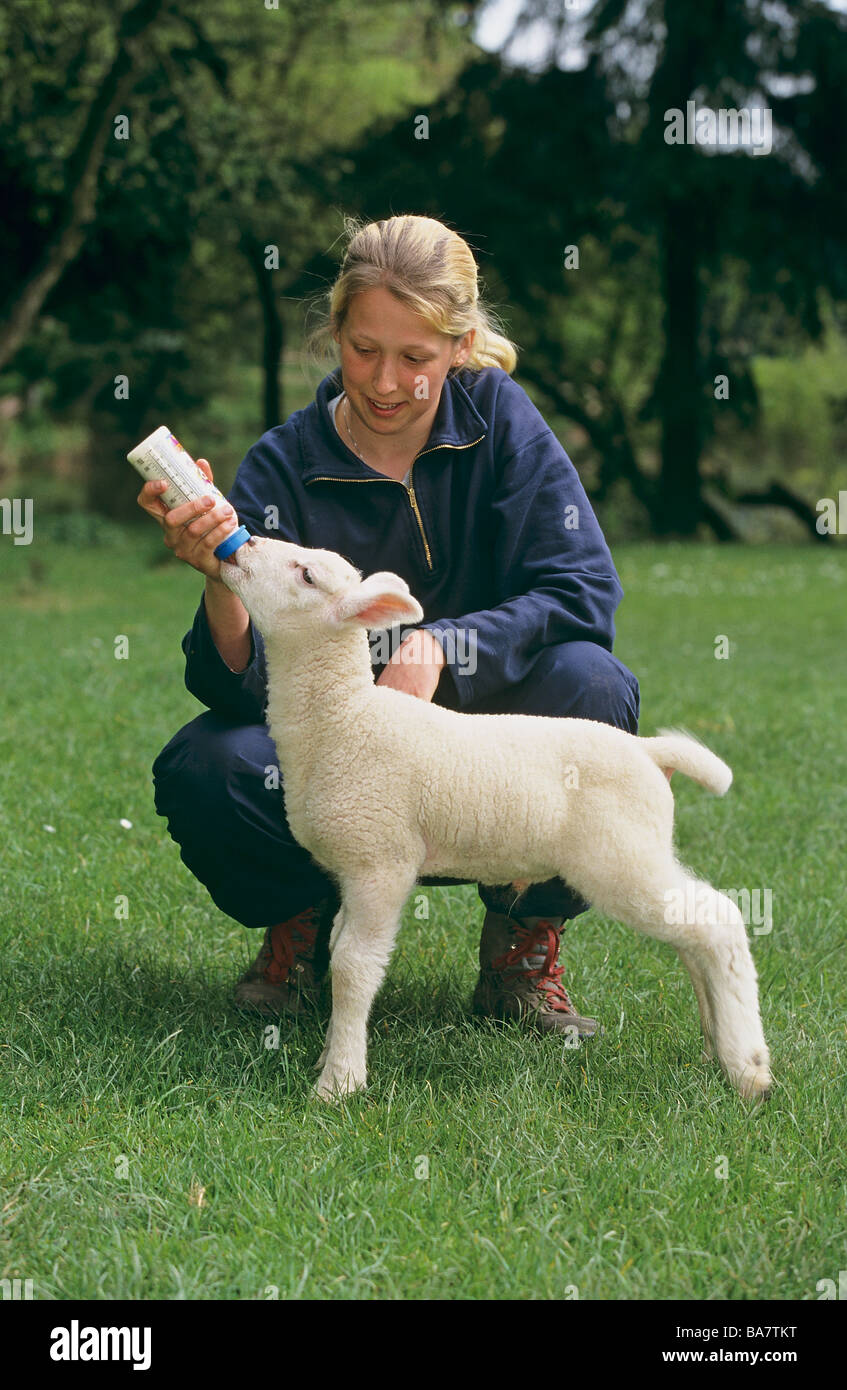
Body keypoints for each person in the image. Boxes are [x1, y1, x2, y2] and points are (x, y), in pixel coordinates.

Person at [139, 213, 640, 1037]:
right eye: (363, 349)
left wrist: (445, 645)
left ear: (461, 346)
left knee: (594, 687)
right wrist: (219, 580)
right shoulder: (283, 461)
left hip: (485, 749)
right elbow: (232, 687)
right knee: (211, 763)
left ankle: (521, 944)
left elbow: (582, 589)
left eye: (415, 357)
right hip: (341, 765)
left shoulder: (500, 422)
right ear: (334, 332)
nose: (383, 381)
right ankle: (302, 923)